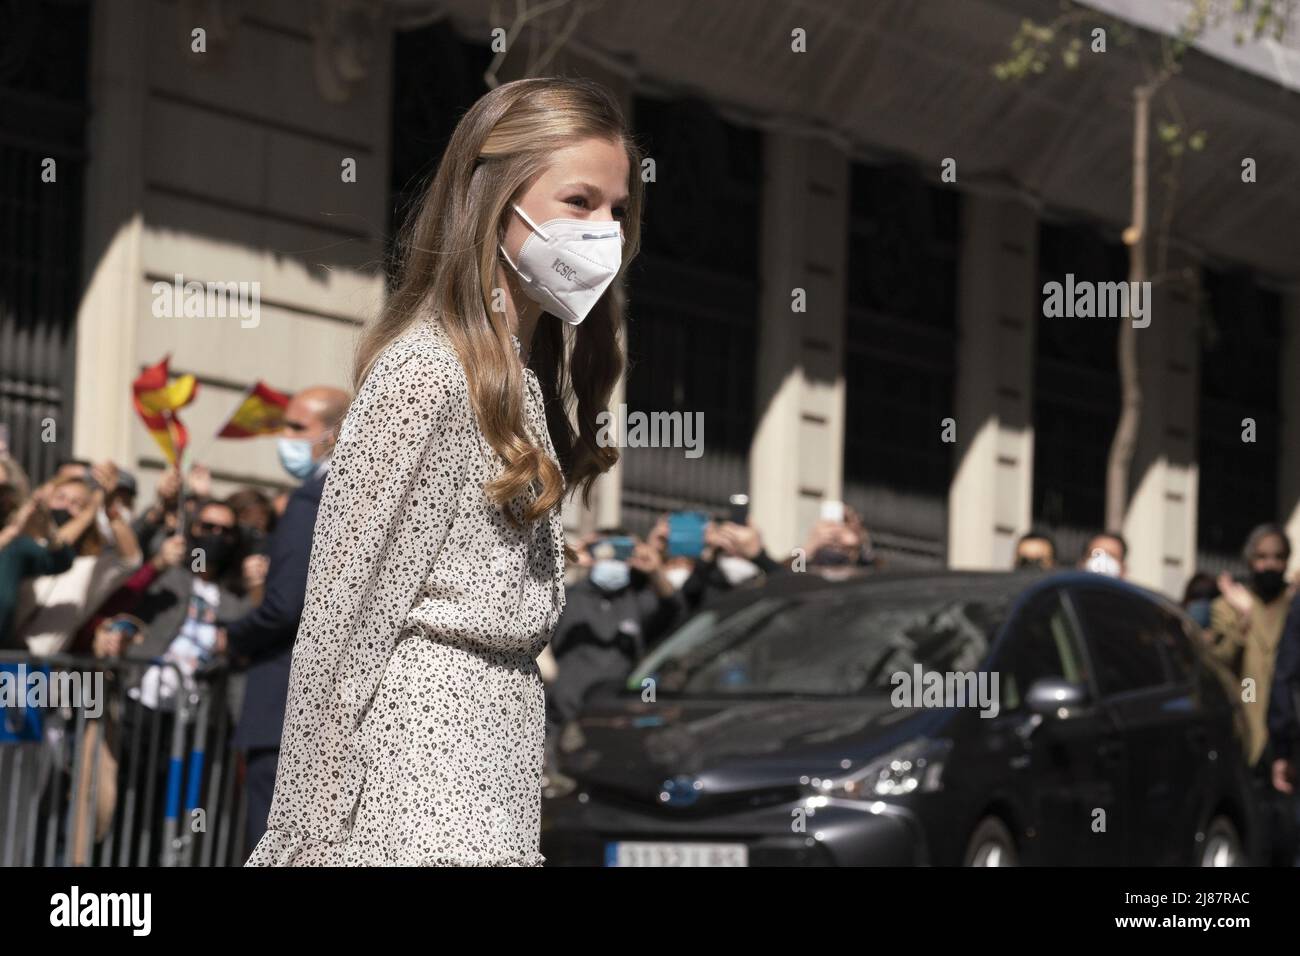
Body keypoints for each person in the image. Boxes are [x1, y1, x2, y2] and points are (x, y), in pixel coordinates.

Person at [243, 77, 642, 867]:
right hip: (416, 769)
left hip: (495, 749)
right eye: (580, 202)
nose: (607, 232)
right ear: (495, 200)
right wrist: (303, 838)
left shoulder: (516, 379)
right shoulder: (425, 373)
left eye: (619, 209)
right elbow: (340, 619)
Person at [215, 385, 348, 857]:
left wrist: (230, 636)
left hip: (284, 708)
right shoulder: (360, 493)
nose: (285, 438)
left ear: (332, 435)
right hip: (334, 711)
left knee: (271, 844)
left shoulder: (313, 499)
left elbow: (285, 607)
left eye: (297, 428)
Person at [547, 531, 684, 730]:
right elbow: (532, 598)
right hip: (564, 714)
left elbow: (674, 609)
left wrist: (655, 571)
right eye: (606, 551)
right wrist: (569, 558)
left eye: (620, 551)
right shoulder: (571, 594)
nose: (612, 559)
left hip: (620, 716)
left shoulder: (638, 599)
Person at [13, 466, 141, 656]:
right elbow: (54, 547)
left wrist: (109, 506)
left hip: (37, 673)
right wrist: (89, 509)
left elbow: (130, 559)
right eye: (60, 498)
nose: (66, 506)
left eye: (76, 503)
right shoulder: (23, 543)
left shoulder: (88, 566)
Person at [1206, 523, 1294, 768]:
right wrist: (1243, 620)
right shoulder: (1229, 605)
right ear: (1249, 559)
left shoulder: (1293, 605)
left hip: (1288, 736)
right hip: (1245, 729)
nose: (1270, 565)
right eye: (1262, 557)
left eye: (1278, 557)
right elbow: (1219, 660)